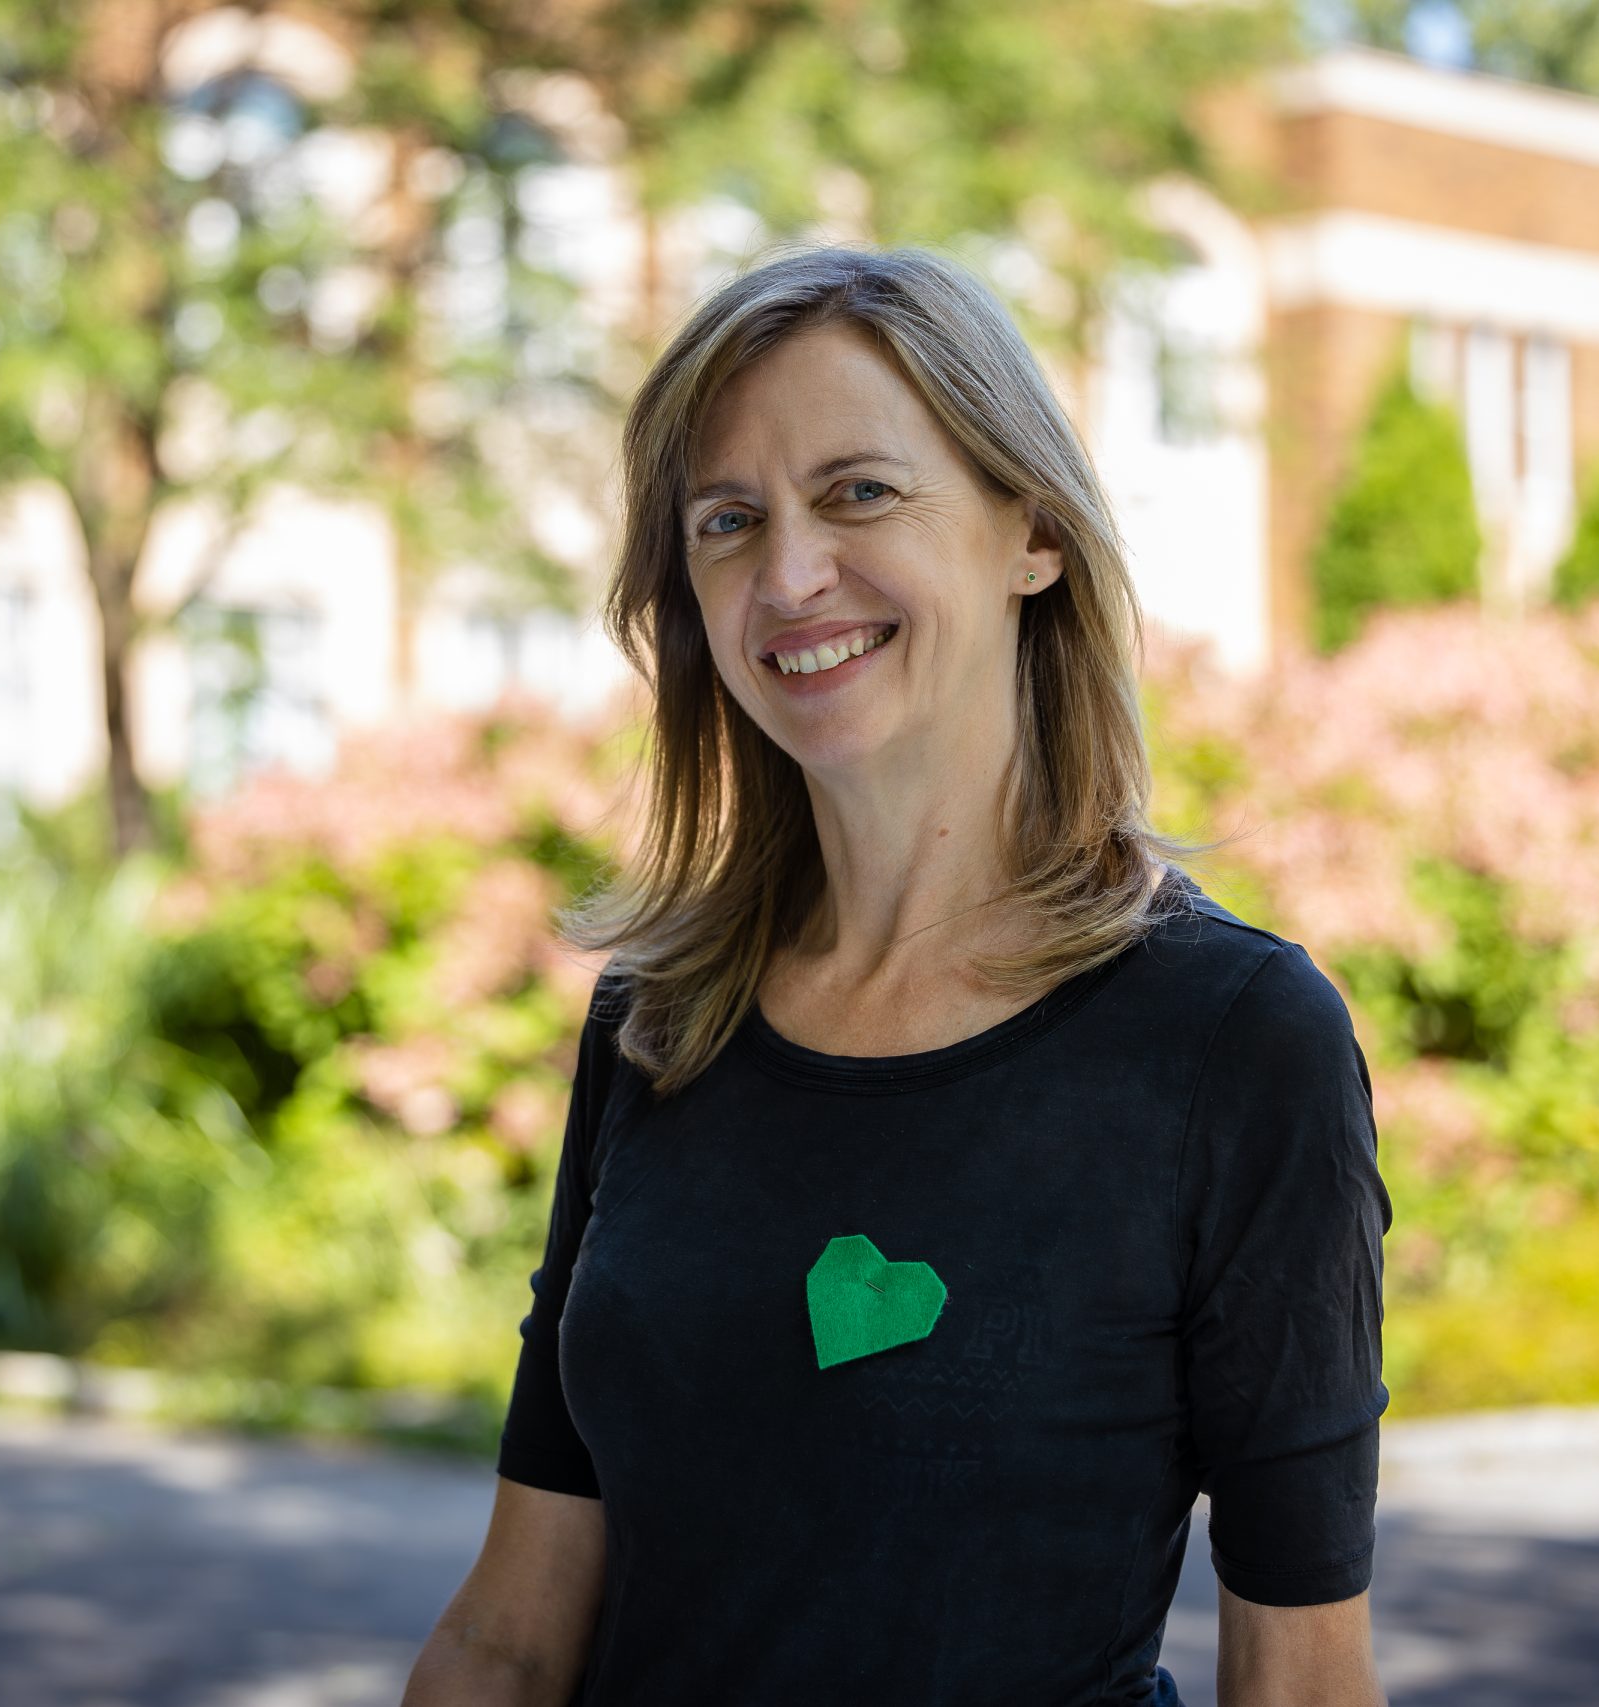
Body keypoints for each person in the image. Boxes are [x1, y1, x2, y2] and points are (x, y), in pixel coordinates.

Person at [402, 244, 1393, 1707]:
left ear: (1032, 533)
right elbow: (513, 1625)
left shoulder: (1235, 1044)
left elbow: (1304, 1683)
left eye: (859, 492)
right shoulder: (663, 1020)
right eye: (728, 520)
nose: (789, 574)